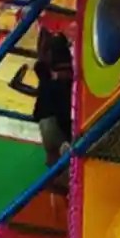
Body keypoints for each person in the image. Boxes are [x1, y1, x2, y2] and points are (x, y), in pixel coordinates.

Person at [32, 22, 73, 190]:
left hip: (51, 114)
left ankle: (50, 34)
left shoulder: (49, 81)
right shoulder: (51, 81)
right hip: (52, 115)